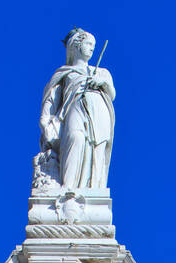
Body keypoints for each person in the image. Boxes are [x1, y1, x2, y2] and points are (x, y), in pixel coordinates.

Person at [38, 29, 115, 190]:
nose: (92, 48)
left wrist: (102, 82)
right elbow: (52, 99)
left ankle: (94, 187)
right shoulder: (65, 73)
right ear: (76, 45)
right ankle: (68, 187)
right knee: (75, 137)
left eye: (94, 45)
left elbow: (112, 93)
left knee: (98, 146)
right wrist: (45, 122)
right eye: (88, 43)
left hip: (99, 108)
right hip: (74, 106)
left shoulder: (102, 72)